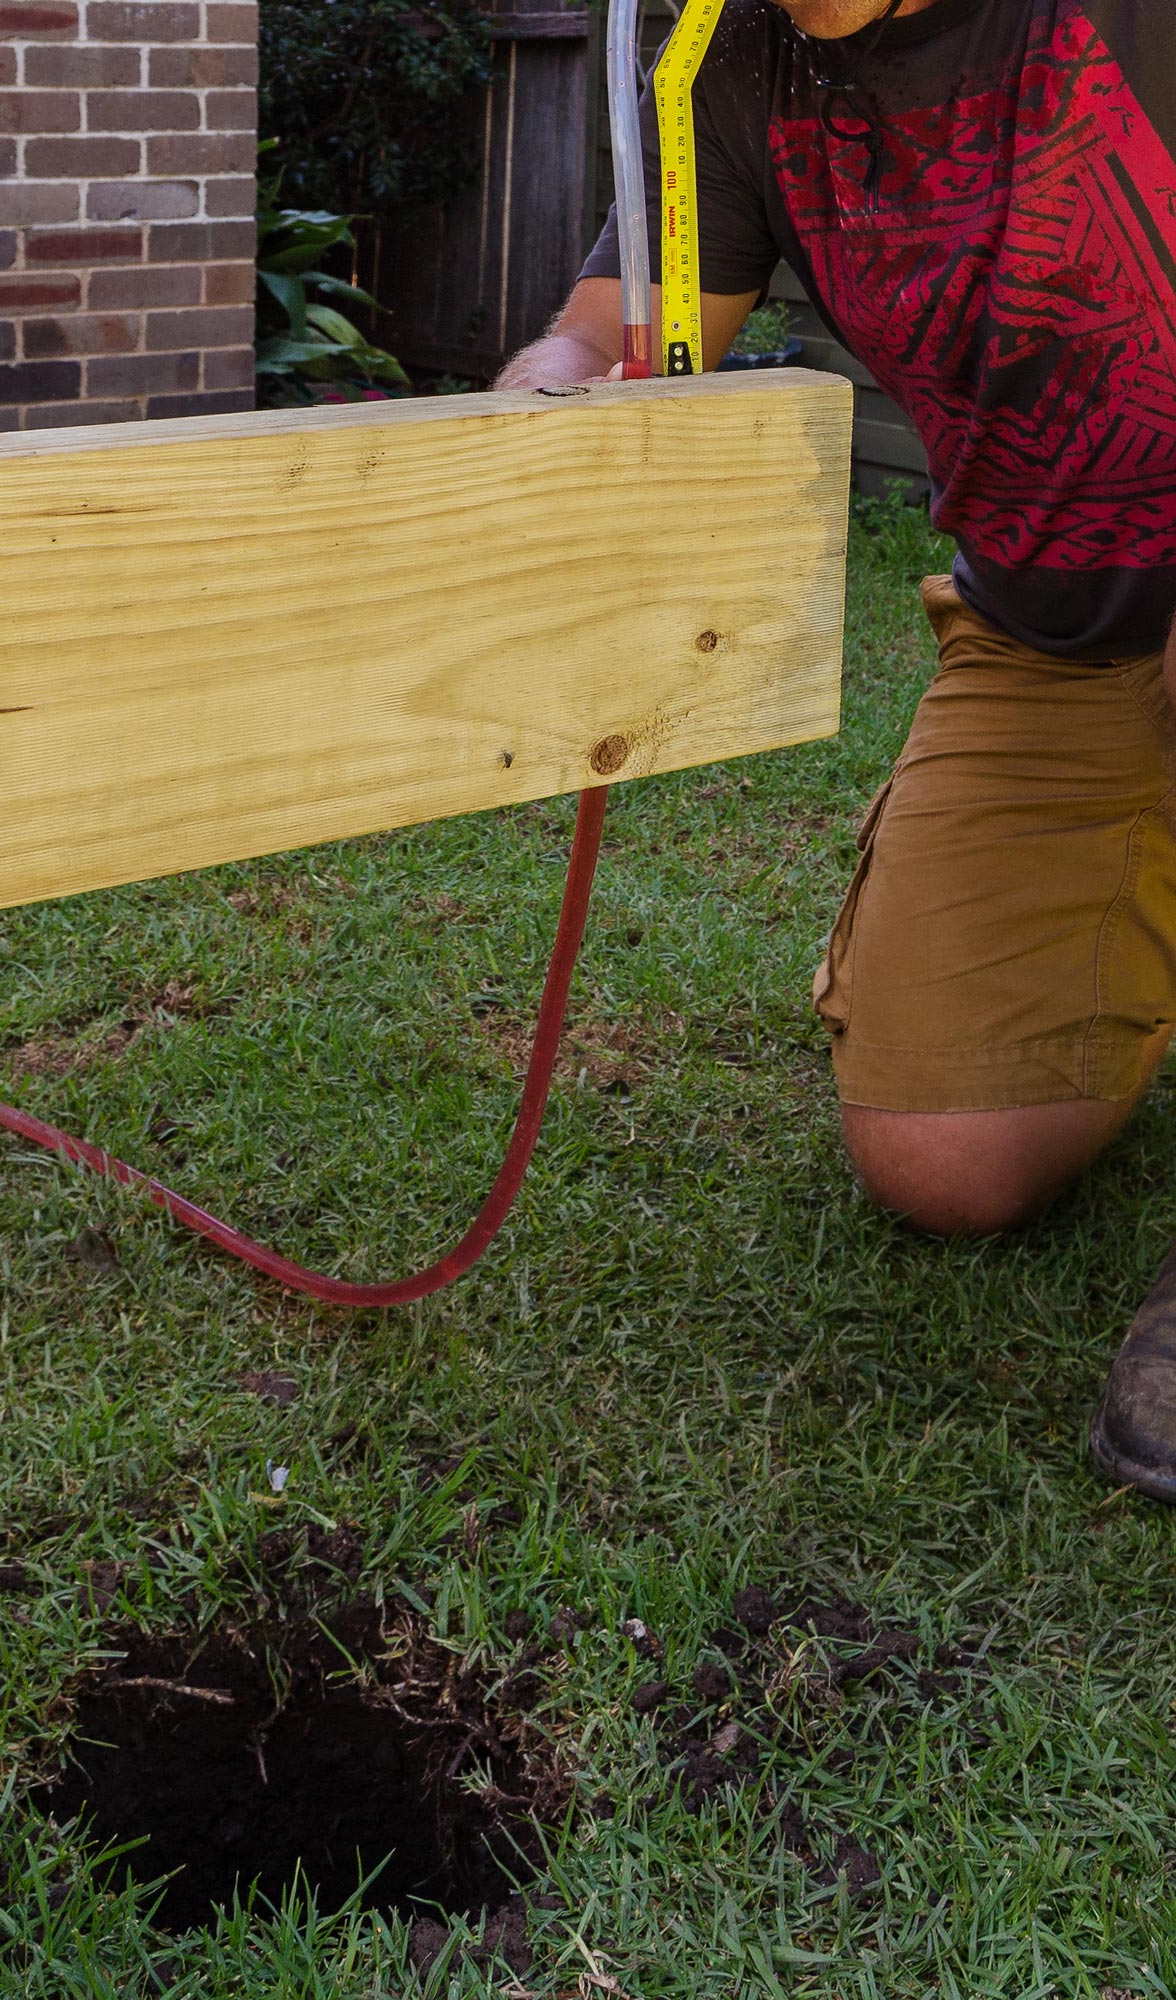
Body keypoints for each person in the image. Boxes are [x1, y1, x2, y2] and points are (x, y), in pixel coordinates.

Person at [501, 0, 1176, 1497]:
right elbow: (616, 332)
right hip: (1056, 635)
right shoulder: (720, 58)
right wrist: (551, 396)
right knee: (943, 1156)